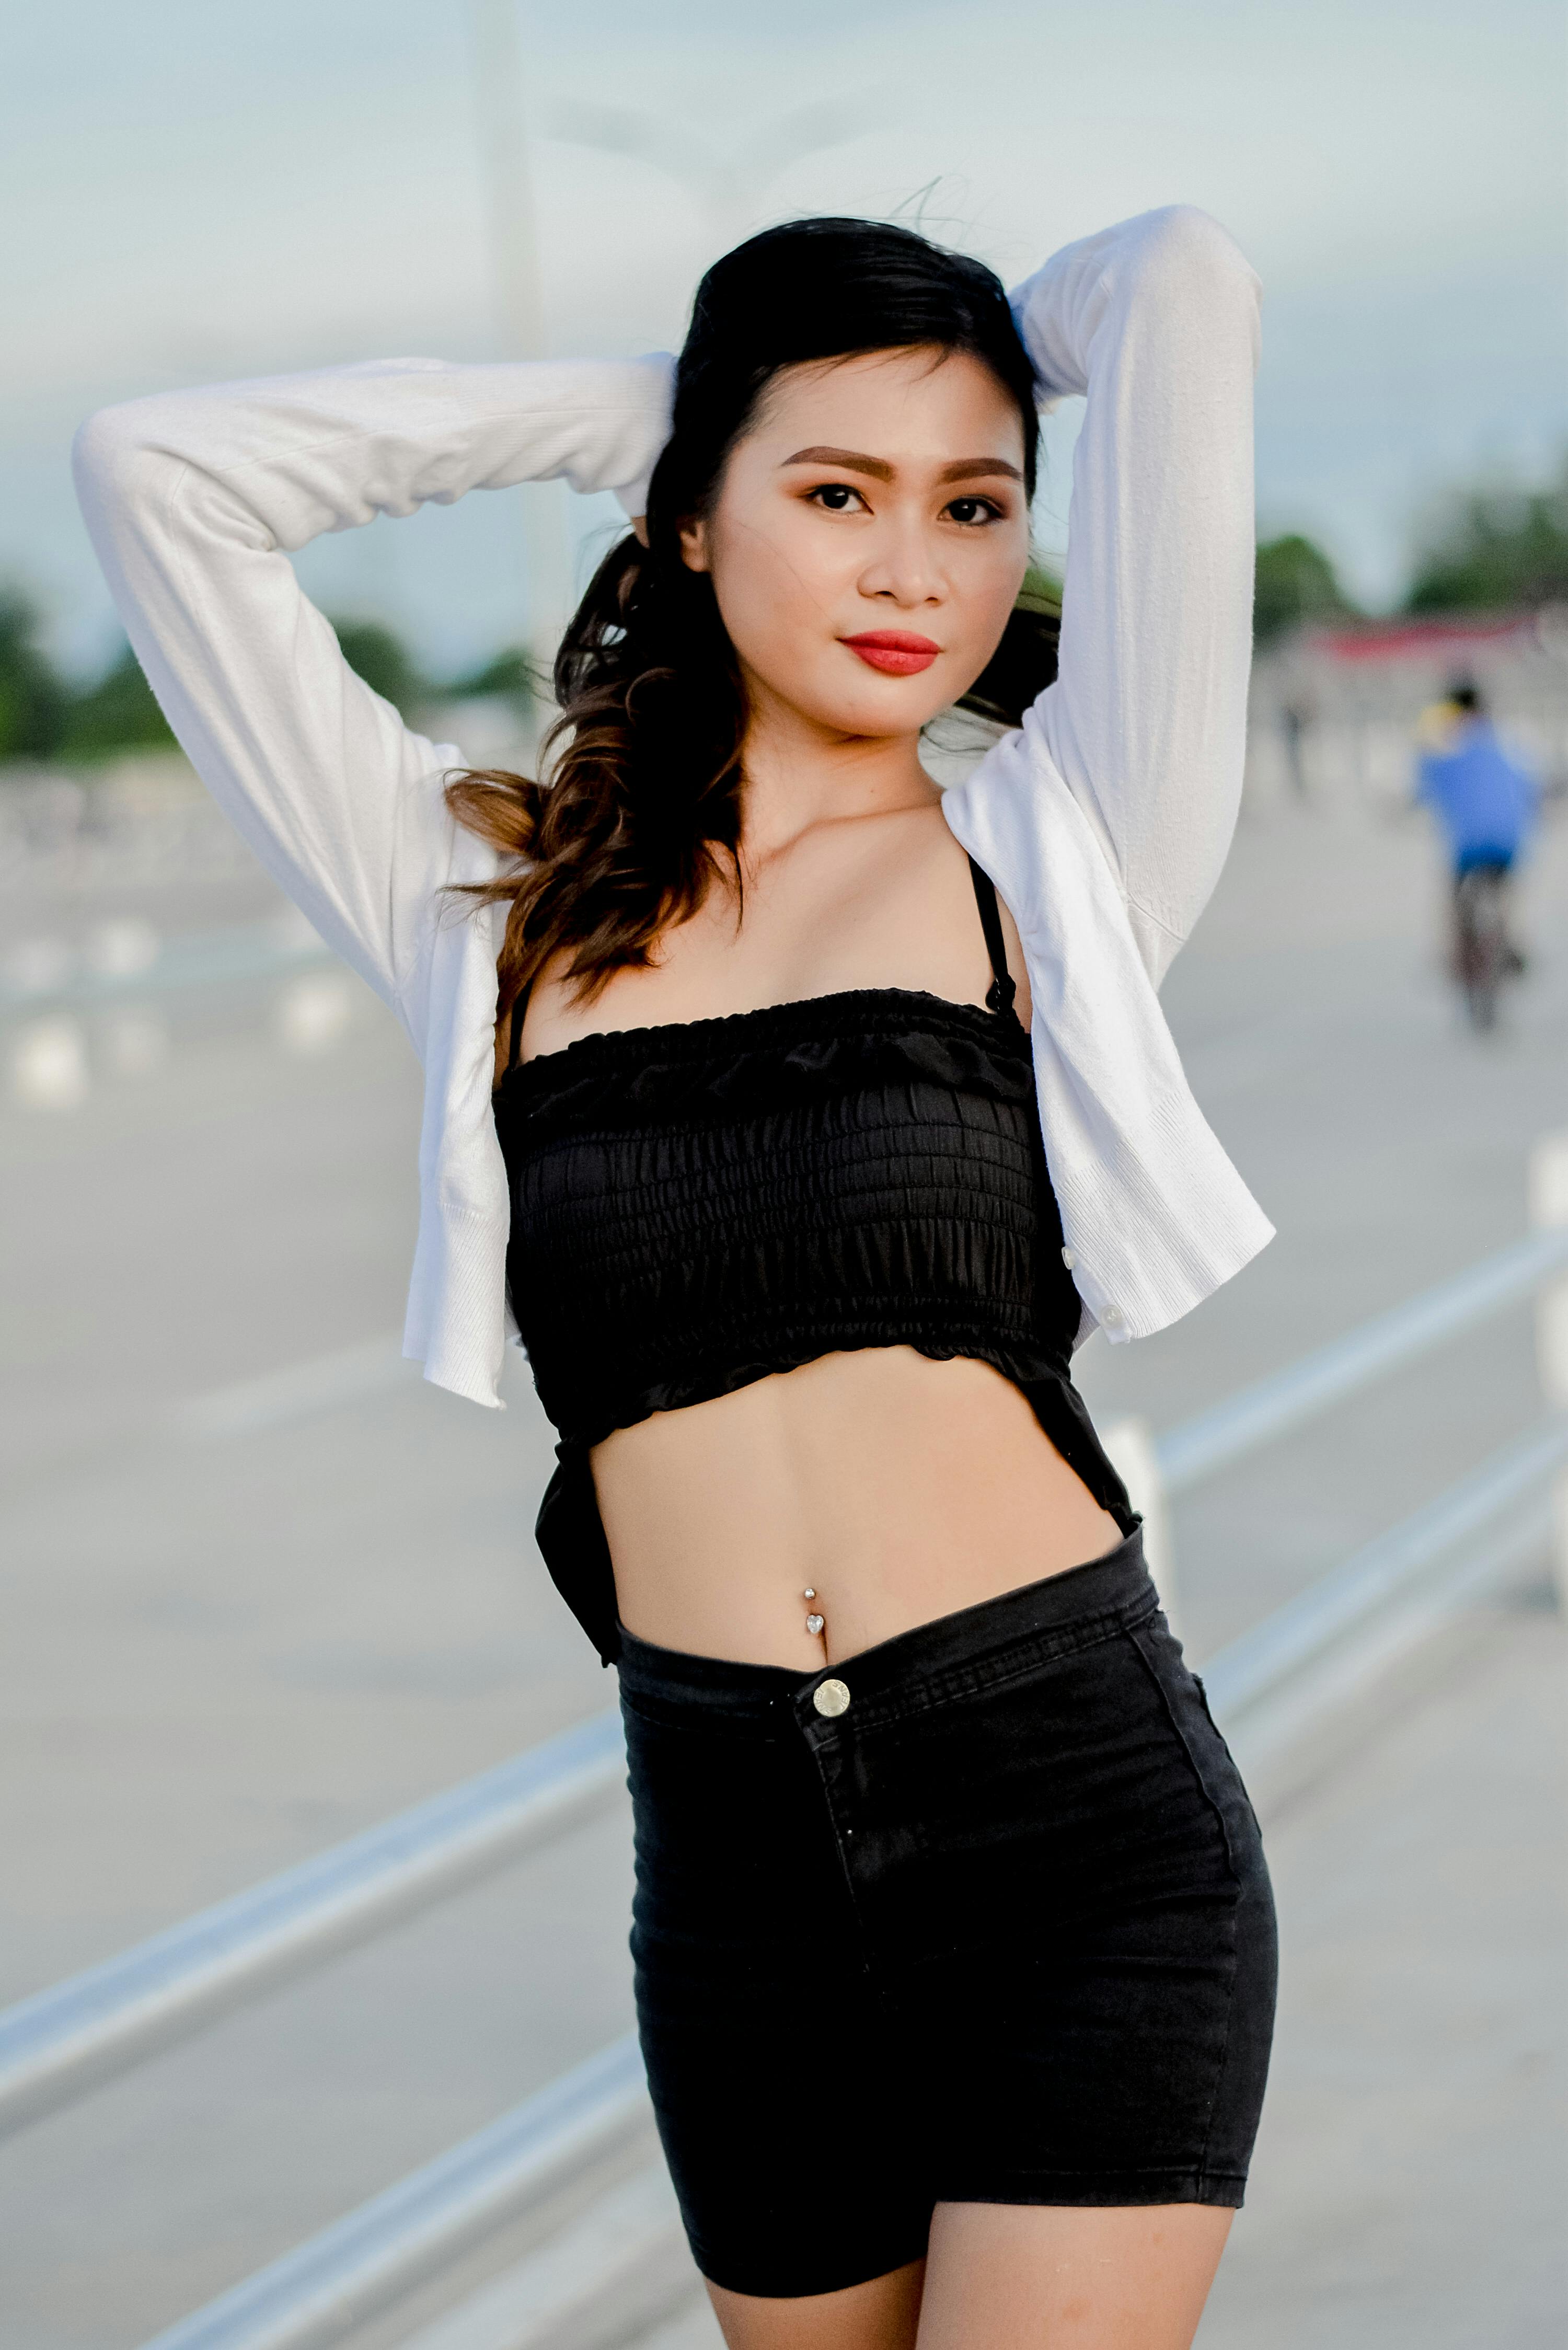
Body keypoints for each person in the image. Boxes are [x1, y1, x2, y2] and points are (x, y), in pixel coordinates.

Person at [75, 204, 1277, 2350]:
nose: (917, 569)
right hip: (730, 1867)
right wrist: (657, 413)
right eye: (833, 494)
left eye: (976, 504)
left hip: (1070, 1826)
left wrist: (834, 394)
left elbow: (1178, 280)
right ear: (694, 522)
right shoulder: (490, 905)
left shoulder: (1063, 846)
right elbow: (156, 477)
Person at [1415, 679, 1538, 999]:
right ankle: (1509, 943)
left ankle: (1459, 958)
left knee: (1456, 901)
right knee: (1506, 892)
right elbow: (1532, 786)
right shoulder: (1510, 742)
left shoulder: (1445, 747)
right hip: (1509, 844)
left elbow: (1423, 791)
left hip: (1467, 847)